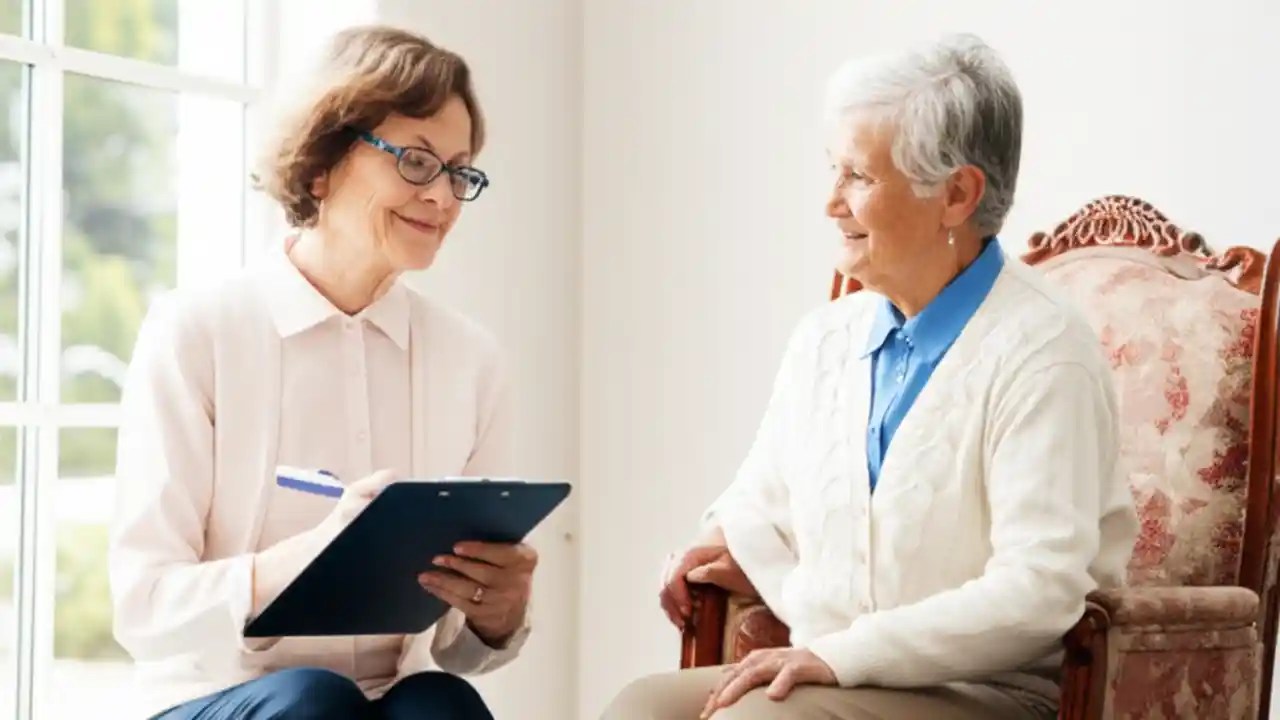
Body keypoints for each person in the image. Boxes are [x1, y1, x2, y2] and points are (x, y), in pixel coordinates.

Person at [603, 33, 1138, 720]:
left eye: (857, 176)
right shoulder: (826, 339)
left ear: (956, 193)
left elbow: (1038, 589)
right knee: (639, 708)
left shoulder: (1043, 352)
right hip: (841, 679)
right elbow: (757, 502)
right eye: (834, 170)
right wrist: (720, 543)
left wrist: (840, 654)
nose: (831, 201)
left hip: (989, 692)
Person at [108, 25, 536, 720]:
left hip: (381, 697)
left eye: (459, 171)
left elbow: (459, 652)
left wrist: (498, 613)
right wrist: (304, 558)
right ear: (321, 164)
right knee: (313, 701)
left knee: (442, 703)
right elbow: (143, 607)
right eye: (417, 162)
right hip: (208, 695)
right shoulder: (196, 333)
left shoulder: (471, 361)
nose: (445, 198)